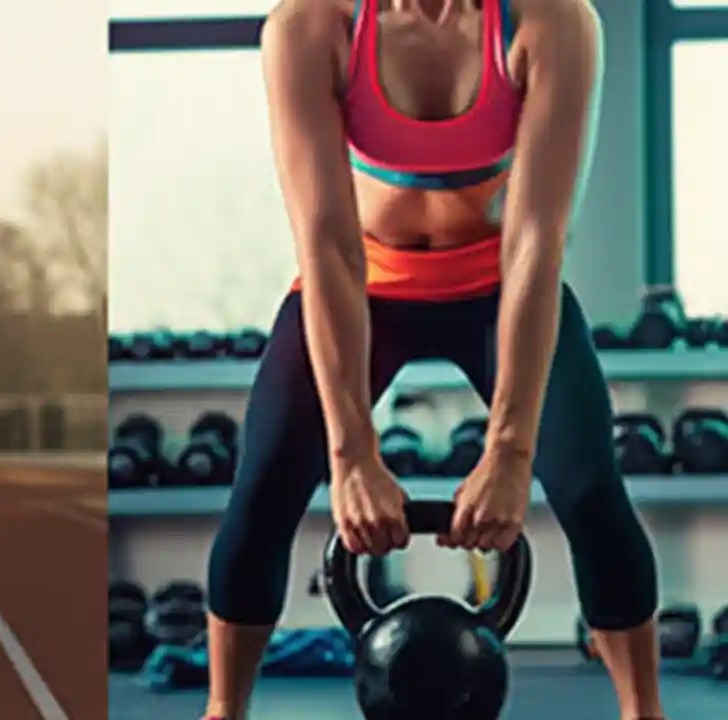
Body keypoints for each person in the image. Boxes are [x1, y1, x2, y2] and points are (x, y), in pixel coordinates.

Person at [203, 1, 666, 719]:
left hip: (498, 286)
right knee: (265, 483)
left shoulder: (553, 22)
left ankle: (645, 711)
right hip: (365, 283)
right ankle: (222, 710)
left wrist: (510, 453)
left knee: (587, 488)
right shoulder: (308, 27)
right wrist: (351, 454)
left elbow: (536, 243)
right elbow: (327, 244)